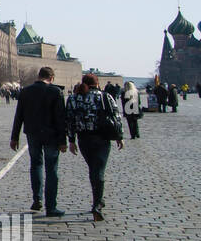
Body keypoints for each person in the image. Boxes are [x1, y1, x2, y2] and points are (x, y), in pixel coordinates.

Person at [66, 73, 124, 222]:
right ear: (97, 83)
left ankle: (99, 199)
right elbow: (116, 116)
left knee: (93, 169)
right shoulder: (105, 97)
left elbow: (70, 121)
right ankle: (97, 204)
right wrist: (119, 137)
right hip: (102, 138)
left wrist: (71, 140)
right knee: (98, 171)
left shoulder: (73, 98)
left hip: (83, 139)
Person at [10, 66, 67, 216]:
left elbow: (19, 116)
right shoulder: (56, 92)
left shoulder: (26, 91)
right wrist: (63, 141)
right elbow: (61, 118)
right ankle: (51, 206)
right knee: (51, 169)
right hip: (51, 135)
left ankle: (37, 200)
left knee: (35, 165)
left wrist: (14, 137)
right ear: (51, 78)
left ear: (38, 76)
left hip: (33, 134)